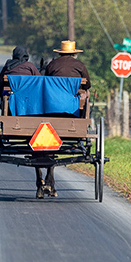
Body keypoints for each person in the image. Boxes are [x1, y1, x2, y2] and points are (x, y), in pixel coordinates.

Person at [36, 39, 92, 199]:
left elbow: (44, 82)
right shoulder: (79, 65)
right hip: (70, 110)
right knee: (85, 96)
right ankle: (82, 123)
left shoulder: (52, 65)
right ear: (74, 53)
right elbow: (87, 85)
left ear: (60, 53)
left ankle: (43, 182)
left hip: (50, 109)